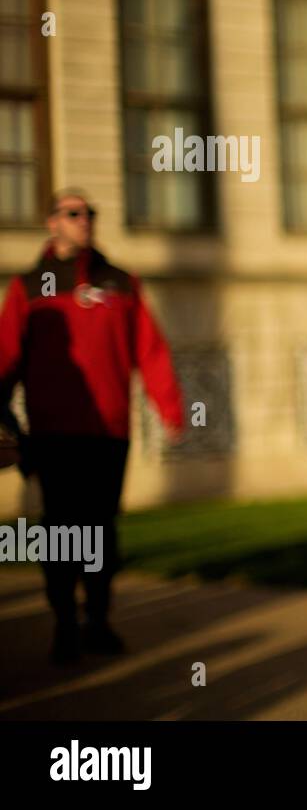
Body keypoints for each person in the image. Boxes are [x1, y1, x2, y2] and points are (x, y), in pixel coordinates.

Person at [0, 188, 183, 665]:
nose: (85, 220)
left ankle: (98, 619)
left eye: (90, 213)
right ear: (52, 222)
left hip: (109, 432)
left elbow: (151, 349)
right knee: (61, 528)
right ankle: (63, 621)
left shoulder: (120, 282)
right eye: (74, 213)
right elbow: (6, 358)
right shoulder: (28, 287)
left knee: (101, 529)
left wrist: (171, 409)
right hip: (52, 434)